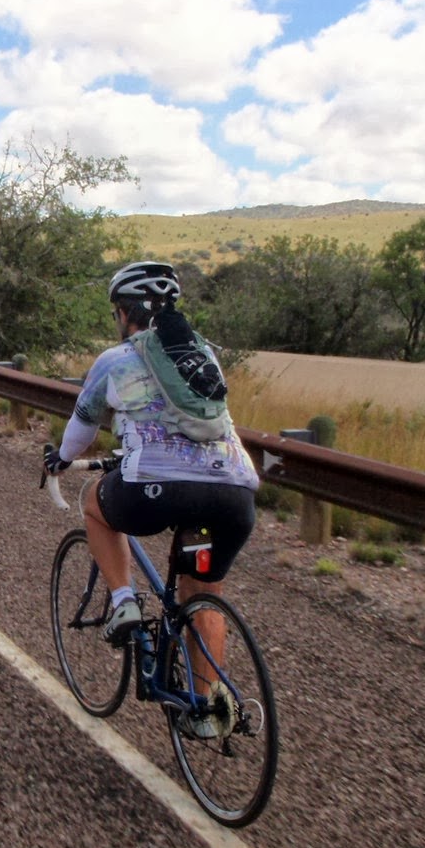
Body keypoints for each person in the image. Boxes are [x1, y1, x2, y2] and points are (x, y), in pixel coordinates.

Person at [44, 261, 261, 735]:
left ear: (124, 313)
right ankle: (206, 711)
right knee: (201, 595)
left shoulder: (115, 359)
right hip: (233, 494)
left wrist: (60, 459)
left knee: (95, 506)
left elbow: (81, 428)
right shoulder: (203, 354)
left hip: (154, 489)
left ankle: (123, 601)